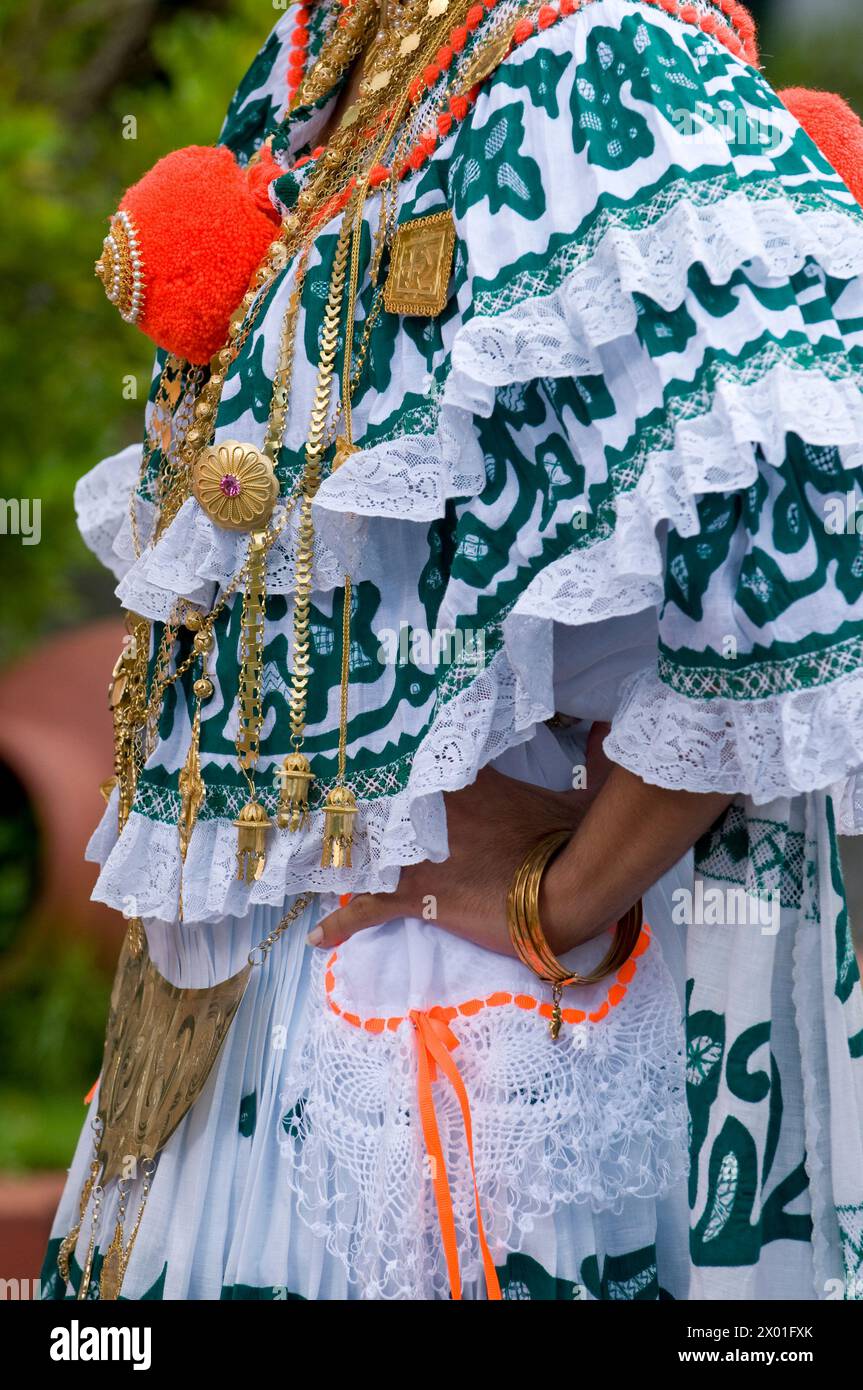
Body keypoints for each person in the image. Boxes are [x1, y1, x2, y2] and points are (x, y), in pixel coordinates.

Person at [42, 0, 863, 1301]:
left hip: (461, 1061)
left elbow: (805, 505)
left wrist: (567, 887)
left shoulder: (599, 53)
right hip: (268, 1037)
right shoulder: (326, 70)